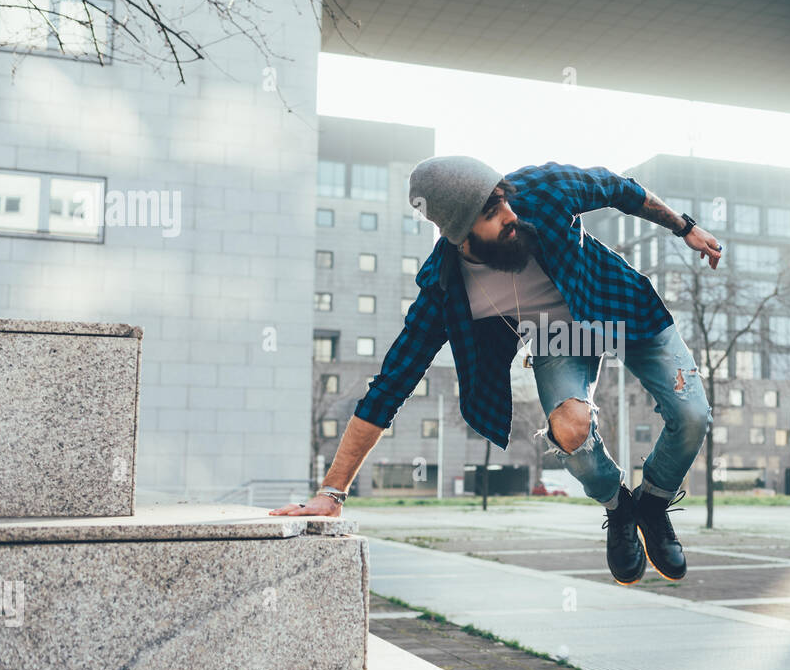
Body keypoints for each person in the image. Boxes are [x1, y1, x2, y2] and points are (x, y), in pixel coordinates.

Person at [271, 157, 721, 584]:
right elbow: (392, 382)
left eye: (504, 198)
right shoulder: (445, 289)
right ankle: (620, 508)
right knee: (571, 428)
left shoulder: (545, 192)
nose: (510, 215)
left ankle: (654, 504)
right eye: (492, 211)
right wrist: (332, 492)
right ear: (460, 234)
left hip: (623, 310)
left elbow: (619, 188)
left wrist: (685, 227)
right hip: (558, 340)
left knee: (692, 416)